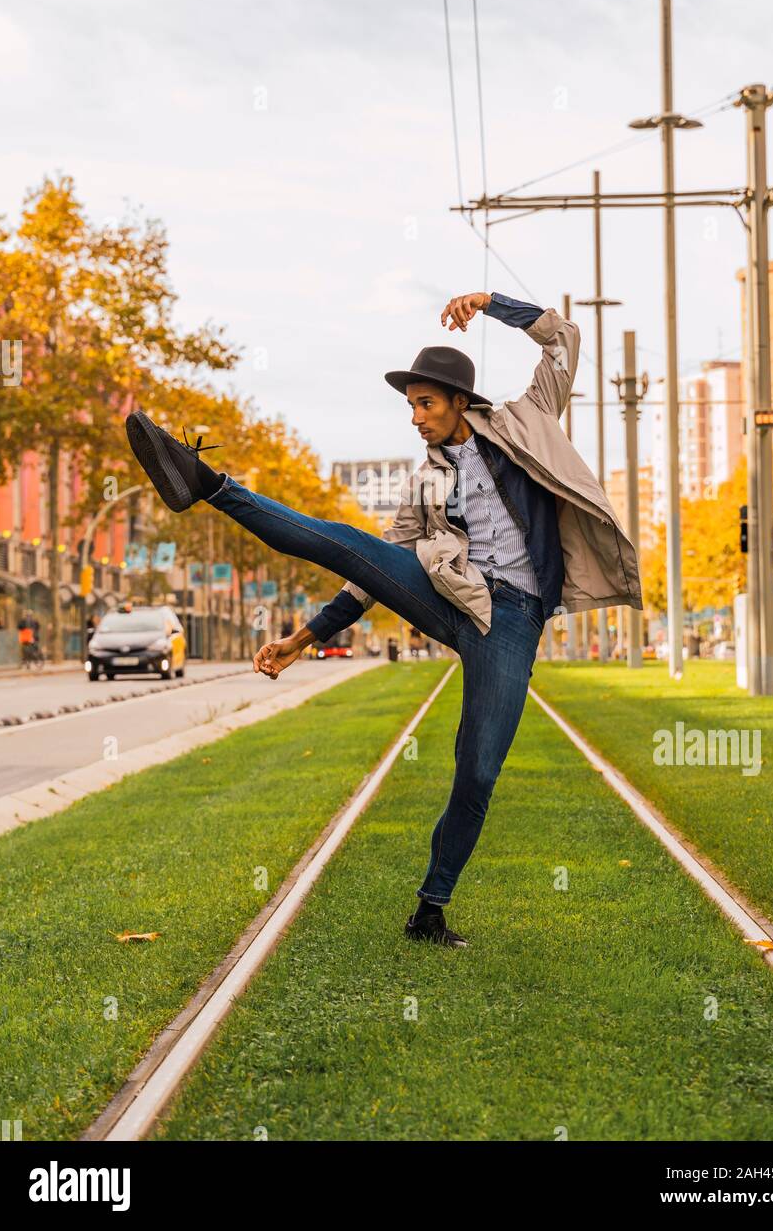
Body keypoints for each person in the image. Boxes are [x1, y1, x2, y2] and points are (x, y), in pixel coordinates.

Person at [125, 290, 642, 947]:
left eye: (426, 404)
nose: (416, 418)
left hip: (512, 624)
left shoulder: (526, 418)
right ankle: (209, 484)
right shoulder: (425, 485)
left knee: (477, 769)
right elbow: (367, 579)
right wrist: (303, 640)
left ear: (460, 401)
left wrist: (491, 305)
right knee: (352, 542)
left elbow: (563, 338)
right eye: (410, 407)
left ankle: (431, 908)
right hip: (453, 599)